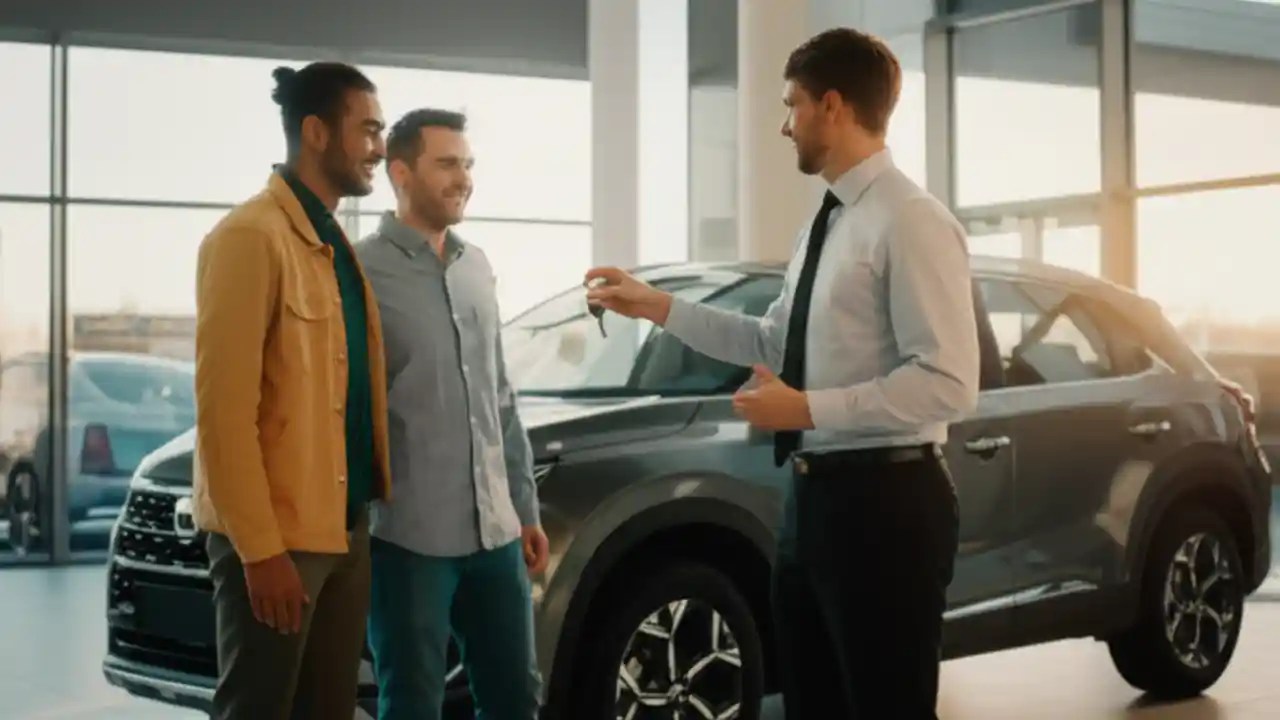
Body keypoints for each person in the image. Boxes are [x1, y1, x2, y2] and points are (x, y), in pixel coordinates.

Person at [585, 28, 979, 720]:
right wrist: (656, 306)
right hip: (814, 503)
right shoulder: (823, 226)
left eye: (791, 104)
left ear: (832, 106)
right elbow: (770, 338)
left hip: (889, 504)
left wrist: (808, 410)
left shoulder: (911, 220)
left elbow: (948, 381)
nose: (782, 122)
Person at [192, 61, 392, 720]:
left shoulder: (334, 241)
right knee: (258, 710)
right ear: (315, 132)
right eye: (367, 130)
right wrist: (259, 549)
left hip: (342, 532)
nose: (379, 148)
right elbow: (224, 416)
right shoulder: (249, 237)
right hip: (279, 543)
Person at [355, 108, 548, 720]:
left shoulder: (477, 266)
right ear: (400, 172)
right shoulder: (358, 271)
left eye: (467, 164)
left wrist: (525, 508)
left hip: (495, 534)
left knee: (516, 699)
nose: (462, 177)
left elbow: (500, 396)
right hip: (407, 537)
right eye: (446, 164)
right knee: (411, 703)